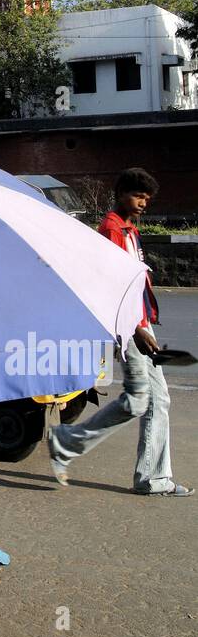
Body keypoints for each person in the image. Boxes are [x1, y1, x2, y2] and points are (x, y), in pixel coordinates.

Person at [48, 168, 193, 496]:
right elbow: (113, 287)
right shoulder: (112, 230)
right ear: (122, 193)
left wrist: (145, 322)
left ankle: (147, 476)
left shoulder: (129, 230)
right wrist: (137, 329)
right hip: (128, 328)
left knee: (149, 400)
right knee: (144, 399)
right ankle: (71, 444)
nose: (143, 203)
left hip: (138, 324)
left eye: (147, 199)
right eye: (138, 196)